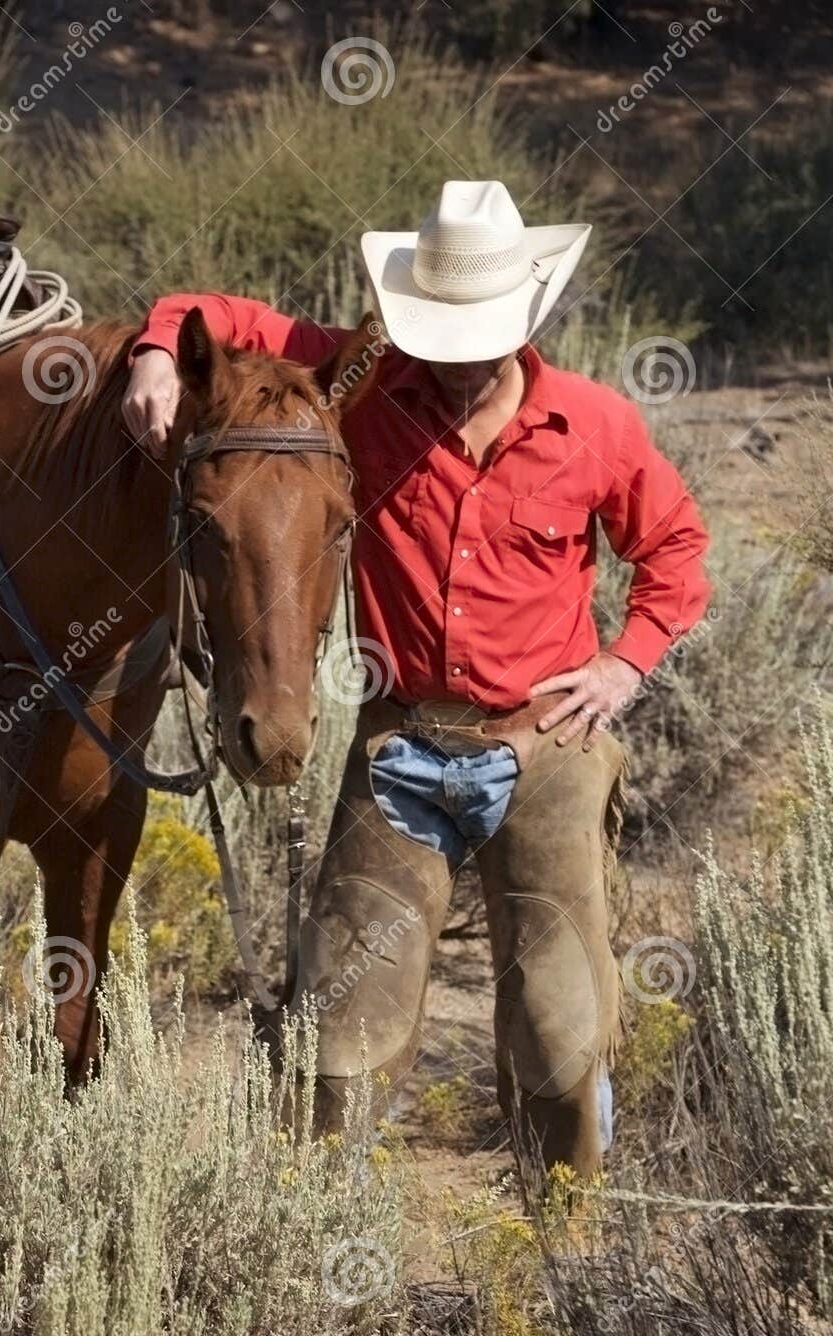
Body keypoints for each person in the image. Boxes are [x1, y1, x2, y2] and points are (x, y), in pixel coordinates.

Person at [122, 180, 710, 1177]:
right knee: (344, 1036)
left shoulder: (595, 427)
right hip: (401, 748)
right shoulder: (363, 386)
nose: (453, 356)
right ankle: (320, 1259)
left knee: (560, 1029)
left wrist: (624, 663)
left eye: (473, 333)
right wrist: (150, 357)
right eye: (435, 330)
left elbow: (678, 549)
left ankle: (561, 1257)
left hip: (549, 747)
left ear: (521, 321)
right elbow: (207, 316)